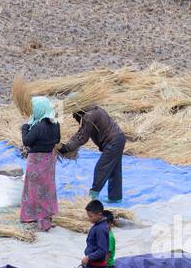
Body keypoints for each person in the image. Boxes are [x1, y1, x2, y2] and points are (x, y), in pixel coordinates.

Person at [59, 104, 126, 205]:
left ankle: (92, 197)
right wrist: (69, 143)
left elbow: (82, 137)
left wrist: (67, 148)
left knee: (101, 168)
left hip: (113, 142)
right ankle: (115, 198)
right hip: (118, 139)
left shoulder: (89, 115)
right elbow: (81, 132)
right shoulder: (94, 110)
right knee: (114, 171)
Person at [20, 96, 60, 231]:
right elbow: (58, 139)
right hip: (49, 161)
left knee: (34, 190)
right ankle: (46, 217)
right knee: (47, 189)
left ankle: (38, 219)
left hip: (36, 161)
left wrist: (25, 127)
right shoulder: (55, 124)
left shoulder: (38, 127)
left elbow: (26, 141)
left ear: (39, 110)